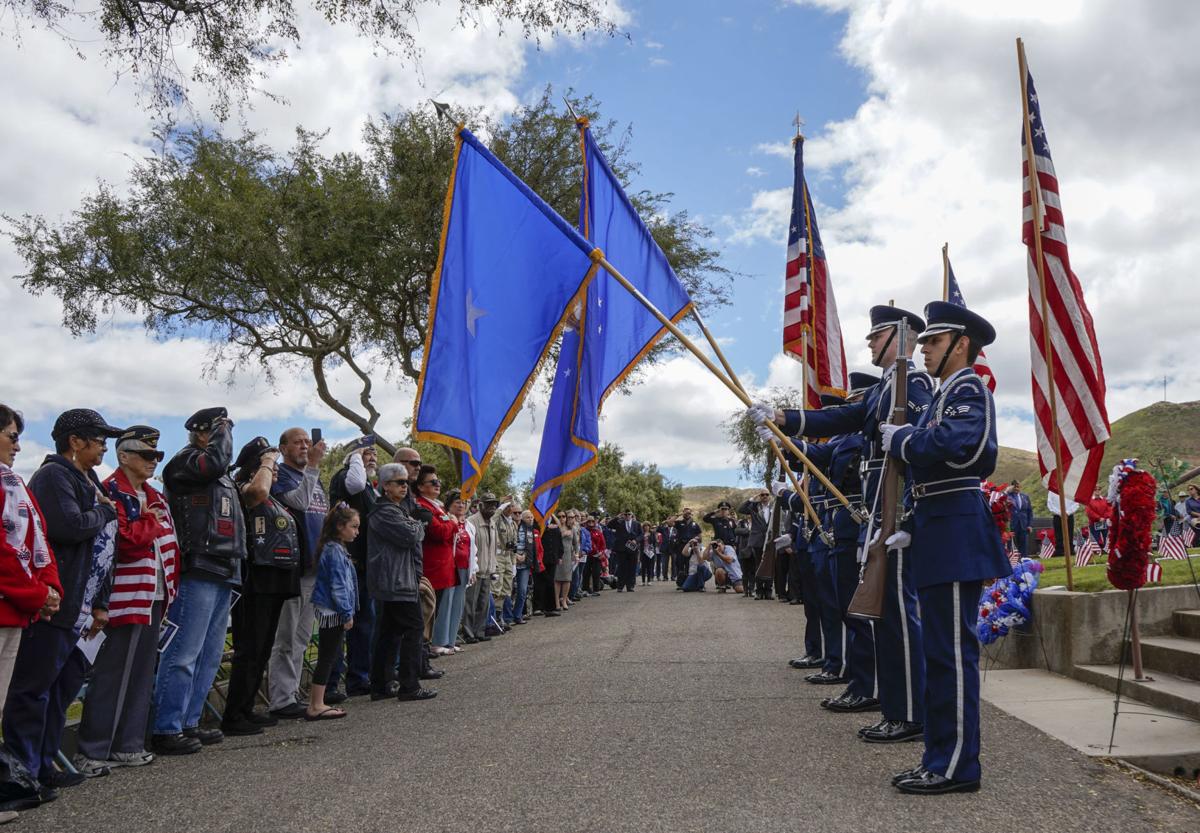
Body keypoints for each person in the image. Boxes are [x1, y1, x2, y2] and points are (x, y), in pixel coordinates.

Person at [749, 304, 933, 745]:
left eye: (877, 335)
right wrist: (784, 421)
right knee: (878, 617)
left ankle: (908, 712)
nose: (868, 342)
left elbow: (923, 448)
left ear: (900, 336)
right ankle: (894, 707)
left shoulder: (914, 384)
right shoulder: (886, 388)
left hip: (894, 516)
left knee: (895, 620)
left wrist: (907, 512)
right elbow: (842, 421)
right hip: (876, 517)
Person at [881, 300, 1010, 795]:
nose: (923, 350)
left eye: (933, 341)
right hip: (938, 526)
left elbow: (962, 447)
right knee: (939, 653)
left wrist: (905, 441)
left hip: (956, 530)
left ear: (961, 345)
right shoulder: (941, 394)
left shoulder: (967, 387)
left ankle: (956, 766)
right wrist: (913, 520)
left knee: (953, 655)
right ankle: (939, 756)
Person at [4, 408, 123, 796]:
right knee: (33, 690)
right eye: (98, 436)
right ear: (75, 441)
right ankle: (24, 771)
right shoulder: (54, 475)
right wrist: (103, 510)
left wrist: (101, 603)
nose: (105, 444)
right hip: (57, 604)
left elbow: (106, 551)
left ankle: (45, 762)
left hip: (84, 606)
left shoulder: (88, 479)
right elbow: (67, 527)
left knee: (60, 689)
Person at [74, 426, 179, 775]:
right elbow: (128, 541)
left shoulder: (154, 494)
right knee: (112, 674)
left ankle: (128, 744)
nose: (153, 462)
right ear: (124, 456)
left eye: (156, 456)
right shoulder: (111, 491)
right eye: (147, 455)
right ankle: (92, 749)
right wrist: (149, 518)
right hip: (123, 597)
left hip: (154, 595)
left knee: (140, 674)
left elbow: (168, 544)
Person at [153, 407, 244, 755]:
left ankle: (189, 721)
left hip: (224, 567)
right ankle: (166, 727)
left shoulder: (220, 476)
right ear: (203, 432)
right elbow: (216, 462)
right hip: (199, 566)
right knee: (183, 652)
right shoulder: (184, 463)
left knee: (209, 654)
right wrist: (224, 429)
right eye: (220, 430)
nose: (226, 436)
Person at [0, 404, 63, 809]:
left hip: (16, 611)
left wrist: (50, 586)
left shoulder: (15, 485)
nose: (18, 445)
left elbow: (38, 540)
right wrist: (38, 594)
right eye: (12, 435)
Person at [220, 438, 298, 736]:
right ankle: (234, 715)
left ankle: (247, 708)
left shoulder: (274, 500)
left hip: (275, 581)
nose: (275, 471)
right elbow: (258, 491)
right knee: (249, 649)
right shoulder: (244, 490)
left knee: (262, 649)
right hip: (255, 582)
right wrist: (265, 463)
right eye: (270, 466)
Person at [267, 427, 328, 720]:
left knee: (303, 636)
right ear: (282, 448)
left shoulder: (315, 480)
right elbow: (299, 503)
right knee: (287, 636)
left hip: (315, 568)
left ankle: (291, 693)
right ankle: (280, 698)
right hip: (292, 567)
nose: (305, 446)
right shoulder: (281, 476)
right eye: (298, 442)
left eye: (308, 441)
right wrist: (314, 465)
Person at [368, 463, 434, 701]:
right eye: (399, 482)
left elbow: (414, 532)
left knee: (390, 633)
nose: (405, 486)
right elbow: (412, 535)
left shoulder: (397, 510)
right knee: (413, 628)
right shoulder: (384, 512)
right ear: (385, 486)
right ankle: (409, 685)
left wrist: (415, 523)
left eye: (406, 482)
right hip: (394, 581)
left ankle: (382, 683)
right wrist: (418, 523)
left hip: (399, 580)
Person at [326, 437, 378, 698]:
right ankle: (331, 685)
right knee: (340, 625)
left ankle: (359, 678)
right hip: (347, 563)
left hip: (364, 565)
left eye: (373, 455)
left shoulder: (368, 485)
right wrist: (355, 454)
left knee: (364, 625)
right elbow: (355, 483)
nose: (372, 459)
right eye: (367, 454)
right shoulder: (347, 477)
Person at [307, 504, 359, 720]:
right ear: (340, 526)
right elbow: (338, 586)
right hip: (333, 611)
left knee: (330, 655)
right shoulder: (334, 550)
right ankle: (316, 704)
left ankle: (318, 702)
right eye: (354, 527)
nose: (356, 532)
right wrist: (347, 613)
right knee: (328, 656)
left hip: (332, 609)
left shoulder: (334, 547)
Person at [414, 465, 456, 654]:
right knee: (426, 613)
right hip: (432, 569)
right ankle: (422, 655)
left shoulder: (435, 506)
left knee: (434, 612)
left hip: (442, 568)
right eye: (433, 482)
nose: (438, 484)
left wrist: (448, 524)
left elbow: (444, 529)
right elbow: (438, 532)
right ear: (421, 487)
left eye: (438, 481)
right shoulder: (422, 506)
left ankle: (425, 653)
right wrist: (452, 524)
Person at [432, 489, 475, 650]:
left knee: (458, 604)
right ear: (449, 504)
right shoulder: (446, 519)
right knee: (445, 604)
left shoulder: (468, 524)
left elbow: (473, 548)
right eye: (457, 502)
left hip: (464, 568)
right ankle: (438, 642)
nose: (461, 505)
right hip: (449, 567)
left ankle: (450, 641)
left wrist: (474, 569)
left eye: (463, 503)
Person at [463, 494, 500, 644]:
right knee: (470, 603)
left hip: (488, 569)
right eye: (488, 504)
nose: (492, 508)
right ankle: (468, 632)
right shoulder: (471, 522)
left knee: (483, 604)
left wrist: (494, 567)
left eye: (494, 505)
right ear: (480, 506)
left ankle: (479, 631)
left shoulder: (492, 523)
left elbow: (494, 547)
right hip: (475, 569)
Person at [510, 510, 538, 622]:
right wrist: (515, 555)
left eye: (532, 517)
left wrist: (525, 555)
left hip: (525, 564)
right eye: (528, 517)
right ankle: (507, 617)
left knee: (522, 591)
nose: (531, 519)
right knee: (508, 591)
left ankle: (517, 615)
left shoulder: (530, 529)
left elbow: (531, 546)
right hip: (512, 561)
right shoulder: (512, 527)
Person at [607, 509, 640, 592]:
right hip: (621, 549)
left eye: (629, 514)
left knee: (632, 568)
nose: (627, 516)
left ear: (632, 515)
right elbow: (609, 525)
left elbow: (641, 534)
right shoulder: (619, 522)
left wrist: (636, 540)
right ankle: (620, 586)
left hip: (632, 548)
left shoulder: (636, 524)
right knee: (622, 568)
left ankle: (630, 586)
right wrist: (617, 517)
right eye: (625, 514)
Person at [536, 513, 562, 616]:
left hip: (552, 558)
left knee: (550, 582)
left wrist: (560, 555)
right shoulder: (538, 523)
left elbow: (559, 542)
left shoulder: (555, 526)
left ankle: (550, 608)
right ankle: (538, 607)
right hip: (540, 558)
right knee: (540, 583)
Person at [555, 512, 579, 610]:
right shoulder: (554, 528)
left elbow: (575, 543)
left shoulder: (572, 529)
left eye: (563, 516)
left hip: (568, 556)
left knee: (567, 579)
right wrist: (562, 534)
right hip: (558, 556)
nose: (562, 518)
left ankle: (564, 600)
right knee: (557, 579)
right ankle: (556, 602)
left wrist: (576, 554)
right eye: (559, 516)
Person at [672, 509, 701, 588]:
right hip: (681, 546)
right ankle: (680, 583)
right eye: (686, 512)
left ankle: (688, 583)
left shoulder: (695, 524)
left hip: (691, 546)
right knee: (680, 564)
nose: (687, 513)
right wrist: (679, 514)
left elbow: (699, 536)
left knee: (689, 565)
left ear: (691, 513)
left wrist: (696, 539)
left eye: (689, 512)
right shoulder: (679, 522)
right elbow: (670, 522)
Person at [1007, 481, 1033, 558]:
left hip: (1023, 525)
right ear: (1011, 487)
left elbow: (1029, 512)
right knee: (1011, 546)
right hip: (1012, 525)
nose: (1016, 488)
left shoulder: (1025, 497)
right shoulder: (1008, 496)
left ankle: (1024, 561)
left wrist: (1030, 525)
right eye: (1014, 487)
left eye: (1018, 487)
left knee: (1023, 546)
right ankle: (1013, 562)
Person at [638, 522, 657, 587]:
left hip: (650, 552)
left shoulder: (652, 533)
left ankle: (649, 580)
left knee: (649, 567)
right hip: (643, 552)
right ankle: (643, 581)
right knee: (643, 567)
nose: (646, 527)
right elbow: (639, 540)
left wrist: (649, 537)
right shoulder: (642, 533)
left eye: (647, 526)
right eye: (645, 526)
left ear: (649, 527)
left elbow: (654, 542)